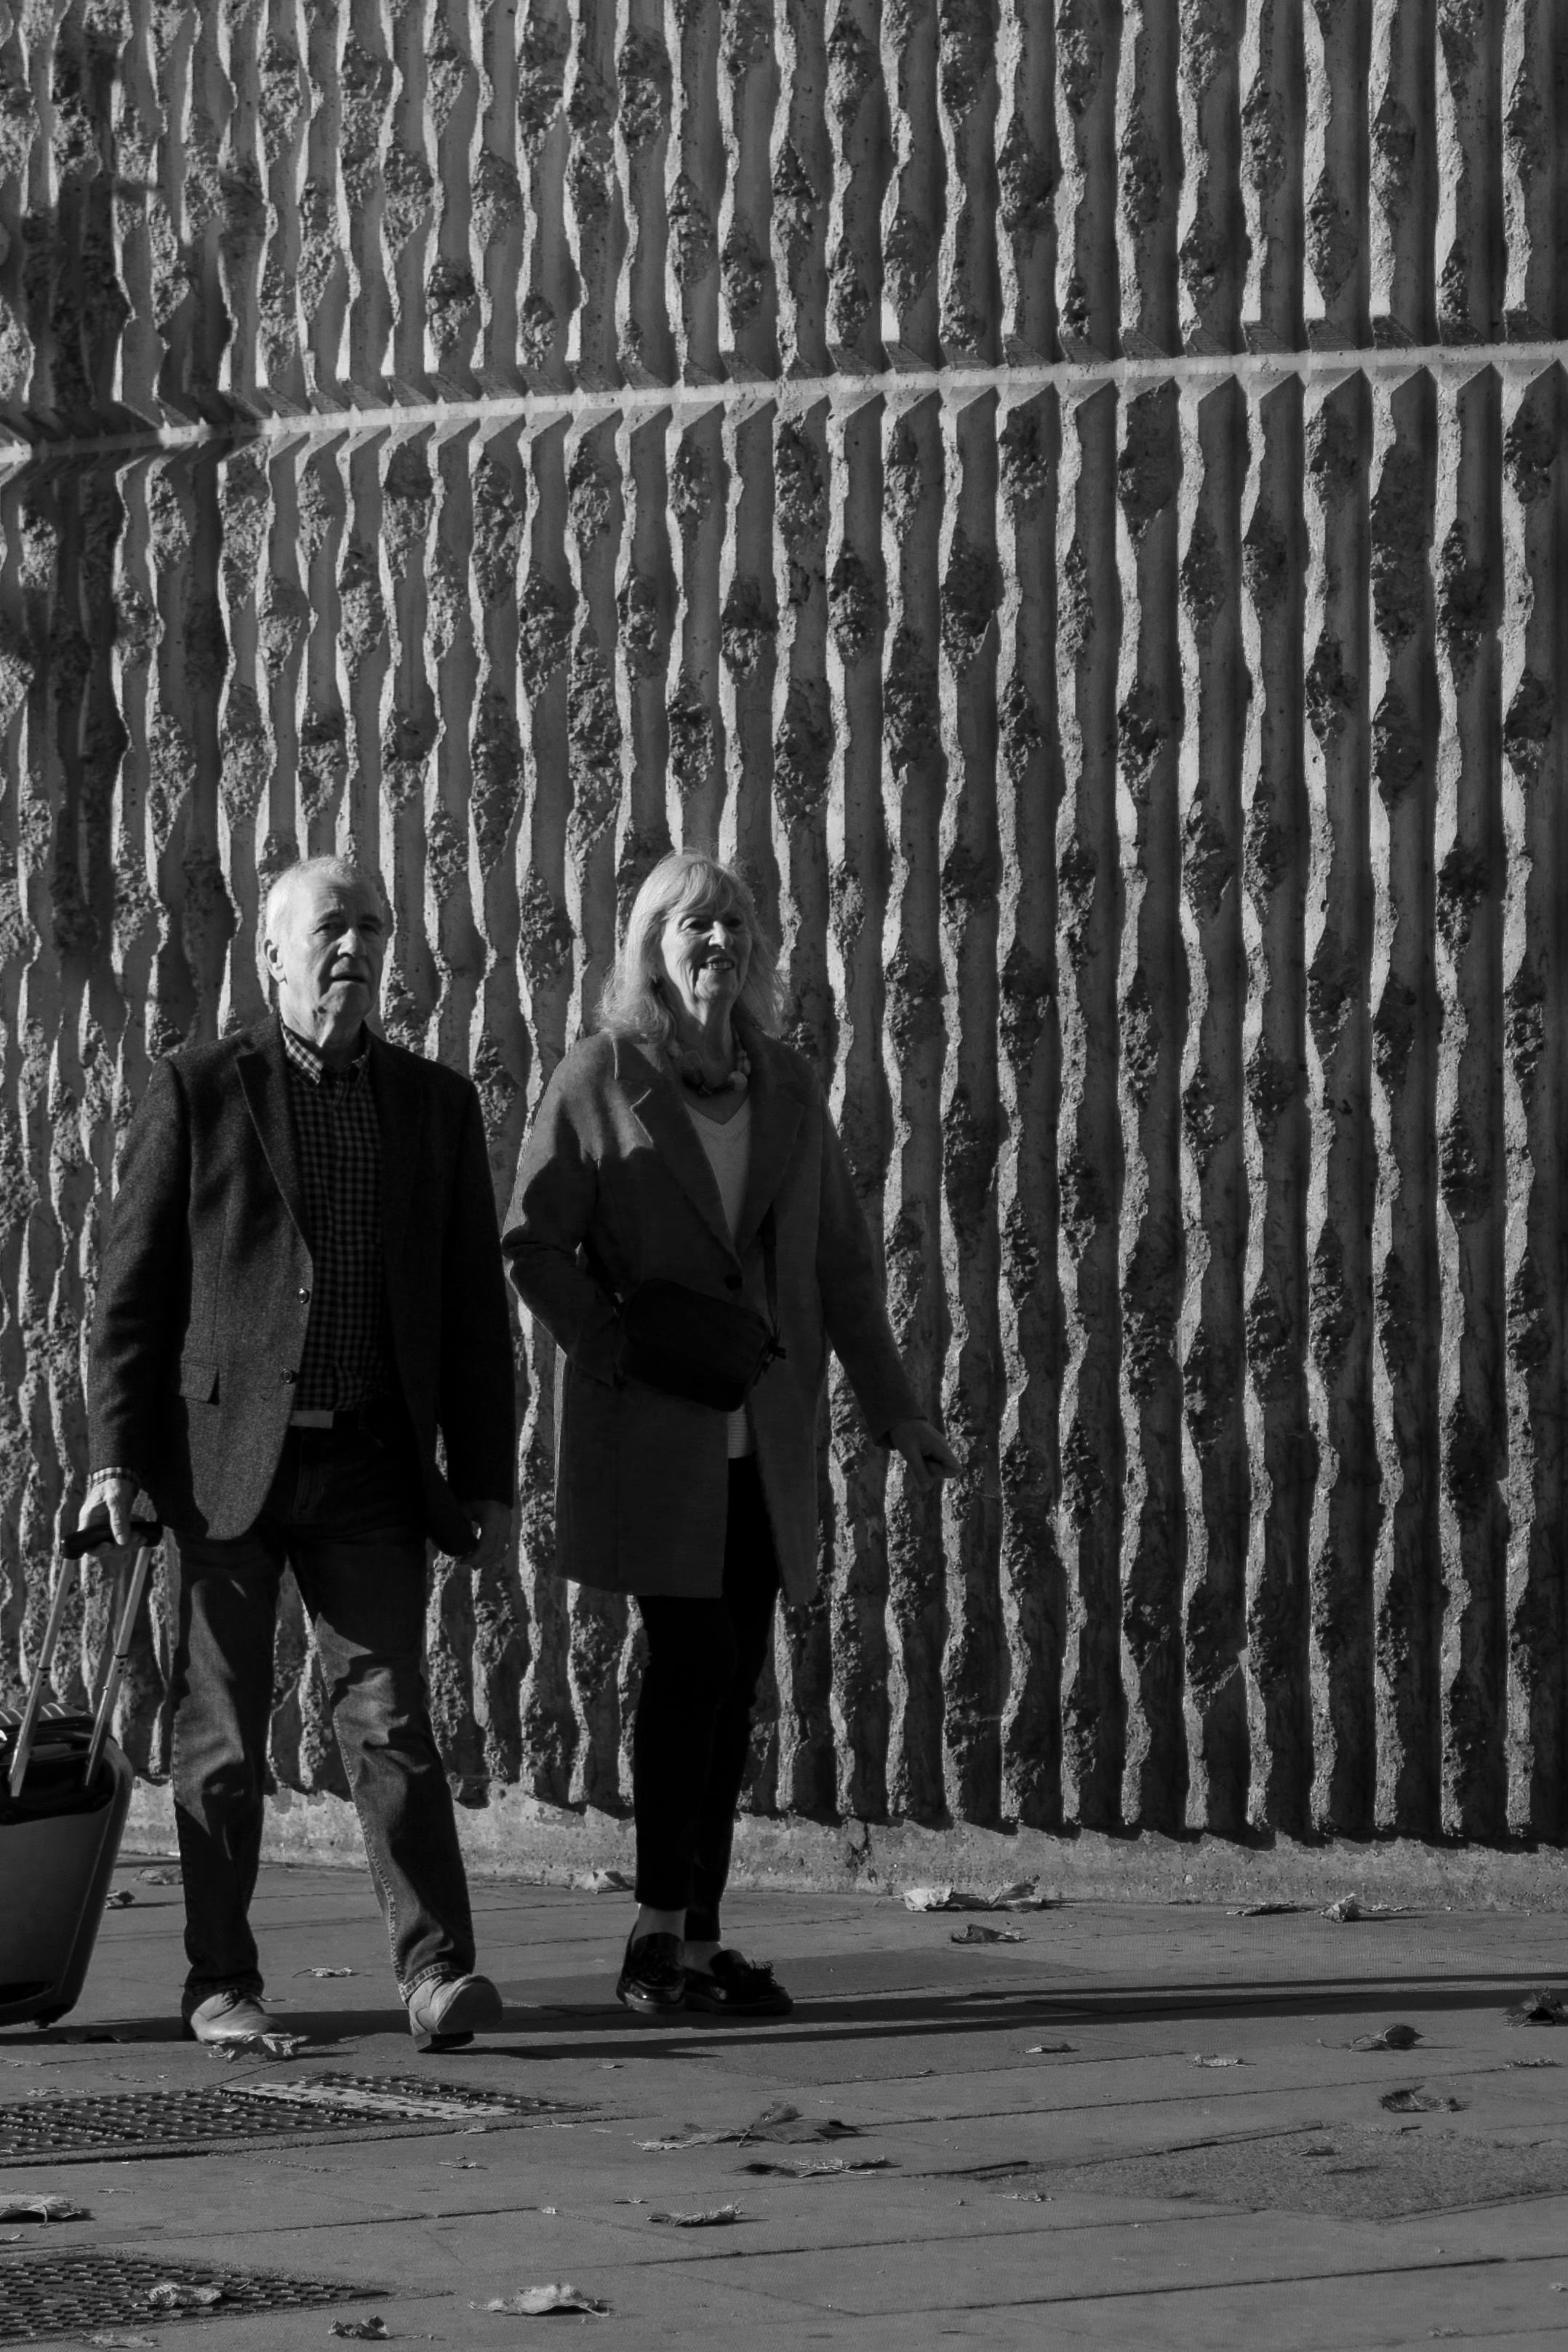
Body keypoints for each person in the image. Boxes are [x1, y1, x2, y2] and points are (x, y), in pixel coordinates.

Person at [502, 849, 957, 2018]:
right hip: (657, 1433)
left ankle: (700, 1942)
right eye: (695, 926)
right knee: (689, 1672)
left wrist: (900, 1405)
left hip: (771, 1436)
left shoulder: (789, 1083)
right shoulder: (598, 1075)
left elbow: (844, 1265)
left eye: (737, 929)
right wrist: (607, 1343)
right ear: (651, 946)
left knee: (734, 1683)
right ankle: (656, 1937)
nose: (720, 946)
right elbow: (532, 1242)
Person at [81, 855, 516, 2053]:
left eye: (372, 927)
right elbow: (133, 1295)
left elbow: (476, 1307)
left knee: (387, 1719)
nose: (354, 948)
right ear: (271, 956)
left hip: (372, 1463)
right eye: (330, 928)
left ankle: (437, 1973)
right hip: (225, 1470)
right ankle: (220, 1982)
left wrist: (488, 1477)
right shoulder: (201, 1089)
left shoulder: (435, 1106)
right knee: (219, 1736)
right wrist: (116, 1457)